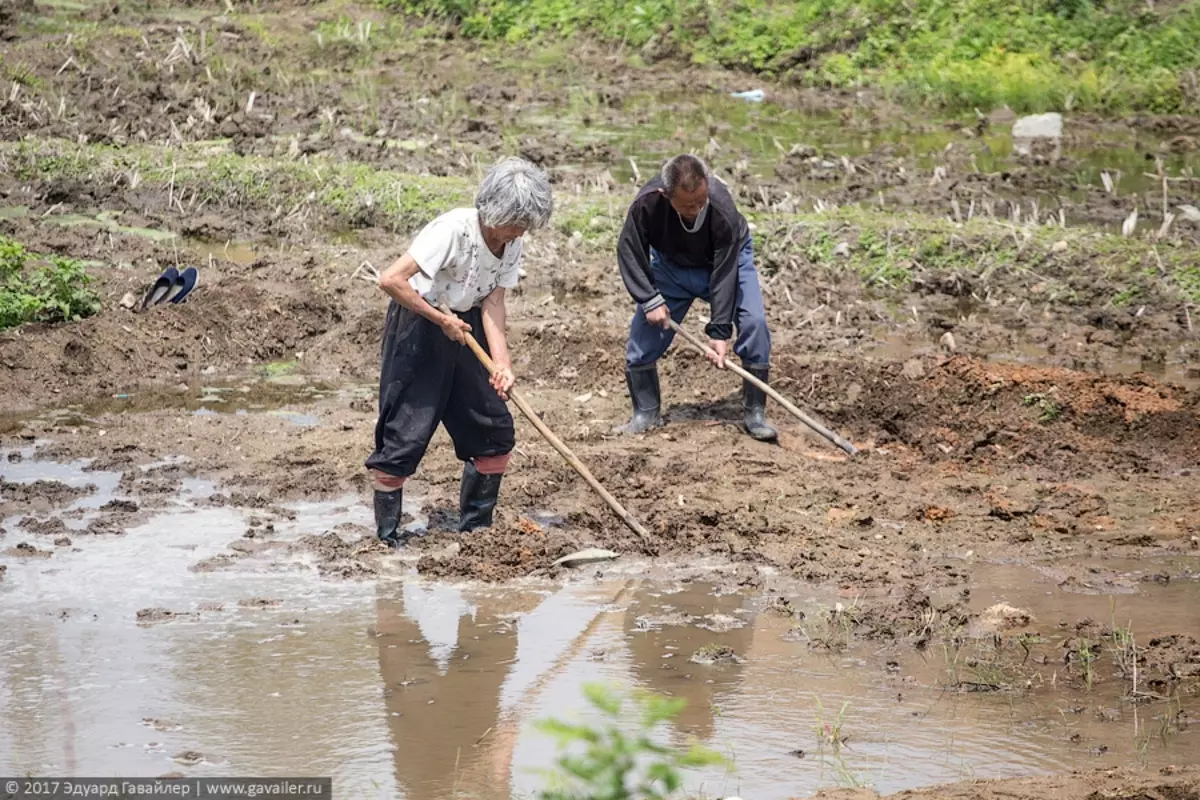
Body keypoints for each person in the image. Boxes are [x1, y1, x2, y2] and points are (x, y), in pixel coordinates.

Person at [364, 157, 554, 547]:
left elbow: (494, 303)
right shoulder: (453, 230)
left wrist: (501, 365)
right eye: (514, 224)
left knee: (493, 430)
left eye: (524, 227)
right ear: (492, 211)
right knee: (405, 433)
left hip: (467, 328)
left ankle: (476, 534)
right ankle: (386, 539)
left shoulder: (512, 242)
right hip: (422, 324)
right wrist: (439, 320)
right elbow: (391, 280)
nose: (518, 234)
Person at [615, 153, 778, 442]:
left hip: (726, 264)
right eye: (688, 205)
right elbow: (629, 249)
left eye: (701, 201)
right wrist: (649, 298)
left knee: (755, 322)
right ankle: (646, 412)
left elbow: (725, 272)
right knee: (642, 336)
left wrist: (719, 330)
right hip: (671, 268)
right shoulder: (647, 204)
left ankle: (754, 413)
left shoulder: (721, 207)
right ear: (667, 196)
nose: (697, 208)